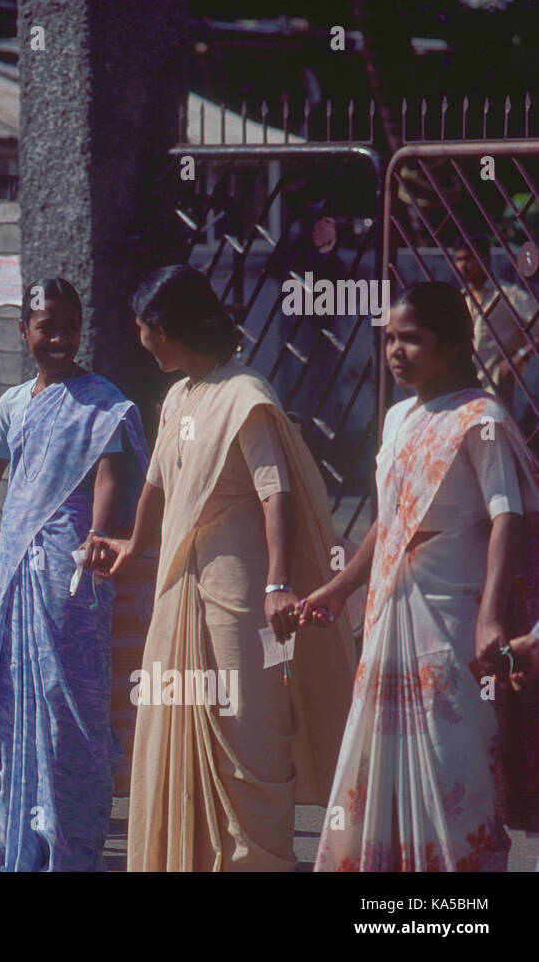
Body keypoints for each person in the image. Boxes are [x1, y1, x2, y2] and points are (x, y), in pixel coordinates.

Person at [101, 264, 355, 871]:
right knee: (176, 725)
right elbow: (157, 487)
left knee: (248, 730)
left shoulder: (246, 397)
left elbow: (276, 494)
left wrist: (276, 583)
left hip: (241, 595)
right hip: (179, 588)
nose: (140, 339)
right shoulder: (178, 399)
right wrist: (134, 548)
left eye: (142, 328)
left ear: (162, 329)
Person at [0, 277, 148, 871]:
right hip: (18, 577)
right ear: (24, 332)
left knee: (70, 709)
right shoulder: (14, 403)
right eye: (47, 327)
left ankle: (71, 850)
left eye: (70, 326)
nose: (60, 338)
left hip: (74, 579)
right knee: (15, 709)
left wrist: (97, 535)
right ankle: (22, 843)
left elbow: (111, 477)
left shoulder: (101, 402)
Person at [299, 281, 539, 871]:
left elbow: (508, 516)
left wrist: (488, 617)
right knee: (382, 768)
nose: (395, 351)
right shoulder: (400, 417)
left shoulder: (480, 418)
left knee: (450, 769)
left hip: (451, 625)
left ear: (453, 345)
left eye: (412, 339)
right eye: (389, 339)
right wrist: (340, 586)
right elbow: (391, 523)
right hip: (389, 619)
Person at [453, 234, 536, 414]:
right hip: (462, 392)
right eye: (458, 260)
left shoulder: (507, 295)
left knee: (490, 438)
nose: (462, 266)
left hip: (495, 392)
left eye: (468, 259)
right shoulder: (460, 299)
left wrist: (520, 357)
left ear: (484, 258)